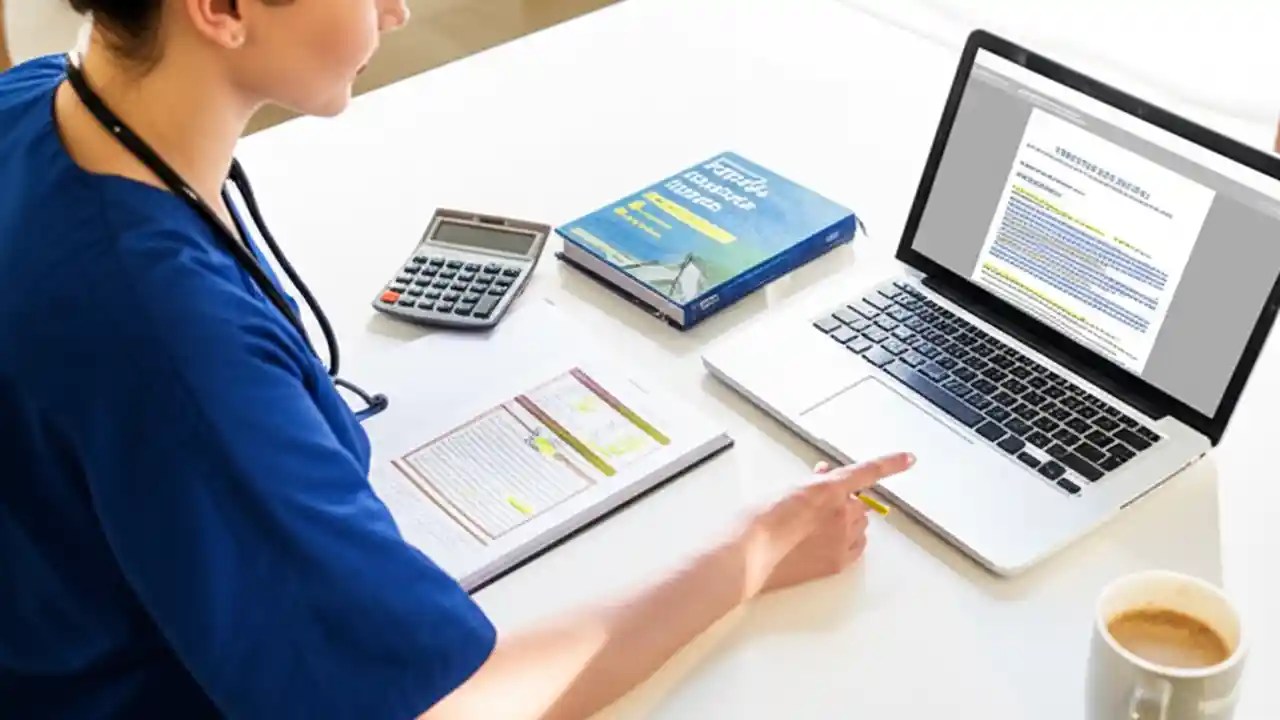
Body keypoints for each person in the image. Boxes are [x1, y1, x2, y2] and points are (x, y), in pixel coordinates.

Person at [0, 1, 916, 717]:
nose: (396, 11)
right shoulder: (173, 343)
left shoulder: (35, 101)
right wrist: (751, 553)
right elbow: (444, 706)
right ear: (221, 8)